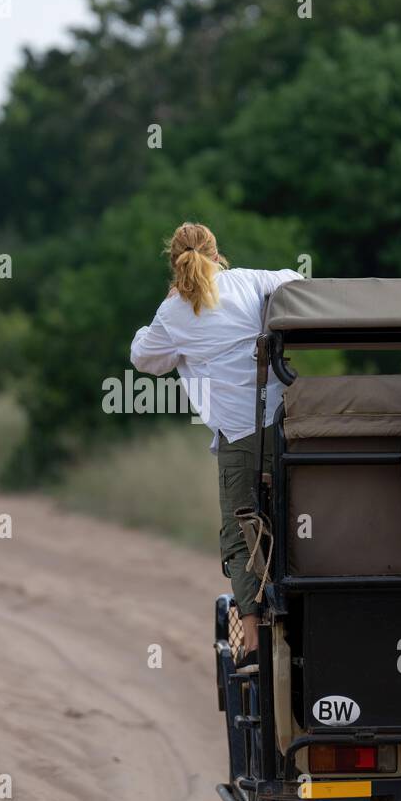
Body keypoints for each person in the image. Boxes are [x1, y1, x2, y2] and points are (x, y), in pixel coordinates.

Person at [130, 222, 301, 664]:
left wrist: (174, 310)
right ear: (216, 251)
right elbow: (296, 281)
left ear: (175, 259)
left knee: (243, 530)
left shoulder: (174, 312)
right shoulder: (248, 281)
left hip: (240, 437)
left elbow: (145, 358)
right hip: (289, 423)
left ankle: (255, 646)